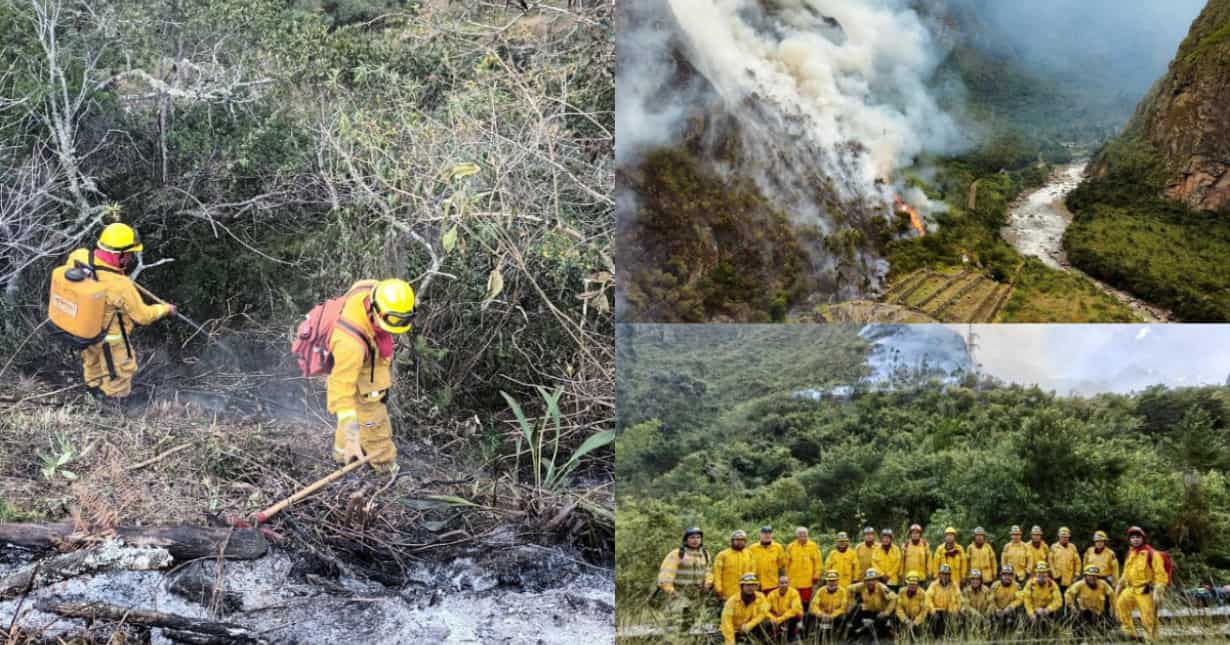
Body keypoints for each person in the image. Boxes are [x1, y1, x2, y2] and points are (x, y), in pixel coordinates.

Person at [54, 224, 175, 403]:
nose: (129, 258)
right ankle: (115, 405)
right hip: (112, 340)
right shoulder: (121, 286)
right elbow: (143, 316)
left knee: (92, 363)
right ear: (118, 254)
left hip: (85, 332)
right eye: (128, 254)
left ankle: (93, 394)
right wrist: (165, 309)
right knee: (119, 371)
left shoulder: (79, 256)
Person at [327, 278, 416, 473]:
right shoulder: (350, 345)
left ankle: (342, 456)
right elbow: (341, 394)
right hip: (362, 378)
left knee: (353, 417)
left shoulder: (372, 289)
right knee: (374, 423)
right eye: (393, 321)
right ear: (376, 309)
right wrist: (353, 438)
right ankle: (384, 467)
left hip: (369, 362)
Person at [1116, 526, 1168, 641]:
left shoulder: (1152, 554)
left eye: (1138, 537)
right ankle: (1130, 634)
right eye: (1133, 537)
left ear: (1143, 538)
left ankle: (1151, 639)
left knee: (1148, 618)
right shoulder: (1130, 553)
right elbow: (1126, 572)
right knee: (1121, 605)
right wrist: (1120, 585)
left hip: (1145, 591)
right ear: (1129, 540)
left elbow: (1161, 575)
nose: (1135, 539)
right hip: (1131, 589)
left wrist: (1158, 592)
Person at [657, 527, 713, 633]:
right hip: (678, 592)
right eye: (692, 537)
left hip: (697, 593)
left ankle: (685, 639)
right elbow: (666, 573)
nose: (695, 540)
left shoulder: (705, 554)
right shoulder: (677, 553)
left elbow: (708, 571)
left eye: (698, 537)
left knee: (691, 621)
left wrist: (708, 583)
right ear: (686, 540)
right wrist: (670, 590)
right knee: (676, 619)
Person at [845, 568, 897, 639]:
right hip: (868, 610)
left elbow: (894, 598)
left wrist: (887, 612)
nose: (870, 582)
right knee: (856, 608)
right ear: (865, 581)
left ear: (877, 580)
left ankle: (881, 632)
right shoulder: (862, 585)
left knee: (880, 623)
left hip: (880, 611)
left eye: (873, 580)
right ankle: (855, 630)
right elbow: (848, 588)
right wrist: (851, 603)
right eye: (868, 580)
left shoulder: (882, 587)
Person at [1065, 565, 1114, 636]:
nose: (1092, 578)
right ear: (1085, 576)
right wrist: (1072, 606)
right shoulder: (1080, 584)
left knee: (1108, 624)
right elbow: (1068, 594)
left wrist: (1113, 608)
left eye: (1095, 576)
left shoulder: (1103, 584)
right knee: (1078, 624)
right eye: (1090, 576)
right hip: (1084, 614)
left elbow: (1112, 594)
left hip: (1099, 613)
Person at [720, 573, 769, 644]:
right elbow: (726, 622)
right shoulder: (732, 601)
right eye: (747, 585)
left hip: (750, 628)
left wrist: (750, 625)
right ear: (742, 586)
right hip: (734, 631)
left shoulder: (761, 597)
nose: (750, 587)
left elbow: (763, 613)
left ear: (756, 586)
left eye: (753, 585)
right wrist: (730, 641)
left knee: (767, 623)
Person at [786, 527, 823, 609]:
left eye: (804, 534)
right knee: (793, 602)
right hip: (793, 581)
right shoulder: (791, 546)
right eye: (800, 534)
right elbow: (786, 564)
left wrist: (816, 575)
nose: (802, 536)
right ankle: (794, 619)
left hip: (807, 581)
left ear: (807, 535)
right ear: (796, 536)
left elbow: (818, 562)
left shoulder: (813, 546)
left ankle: (804, 618)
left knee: (805, 602)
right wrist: (786, 578)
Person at [1022, 562, 1062, 635]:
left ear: (1047, 574)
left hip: (1048, 611)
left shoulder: (1052, 584)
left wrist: (1048, 609)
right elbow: (1026, 600)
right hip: (1034, 611)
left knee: (1054, 621)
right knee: (1028, 621)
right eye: (1039, 573)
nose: (1041, 575)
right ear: (1036, 574)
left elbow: (1058, 600)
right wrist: (1031, 613)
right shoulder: (1030, 584)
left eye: (1044, 573)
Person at [714, 530, 756, 601]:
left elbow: (753, 572)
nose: (740, 542)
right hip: (727, 594)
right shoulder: (722, 555)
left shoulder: (749, 554)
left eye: (742, 540)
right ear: (732, 541)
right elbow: (717, 573)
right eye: (737, 539)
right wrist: (718, 589)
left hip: (745, 593)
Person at [925, 563, 962, 638]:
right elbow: (928, 599)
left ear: (950, 575)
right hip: (937, 611)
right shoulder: (933, 585)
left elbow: (959, 600)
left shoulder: (954, 585)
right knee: (934, 617)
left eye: (947, 574)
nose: (945, 576)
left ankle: (952, 636)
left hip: (950, 612)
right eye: (943, 574)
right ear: (939, 574)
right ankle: (934, 637)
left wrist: (955, 611)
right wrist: (932, 610)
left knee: (956, 618)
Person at [809, 571, 848, 639]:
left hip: (835, 616)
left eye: (834, 580)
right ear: (826, 581)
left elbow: (843, 608)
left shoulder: (843, 592)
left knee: (843, 617)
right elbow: (814, 605)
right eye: (829, 580)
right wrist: (821, 614)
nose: (832, 583)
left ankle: (838, 635)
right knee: (809, 616)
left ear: (838, 581)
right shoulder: (820, 591)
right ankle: (812, 633)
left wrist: (831, 616)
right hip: (822, 616)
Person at [748, 526, 786, 593]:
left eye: (769, 533)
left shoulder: (778, 547)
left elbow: (781, 567)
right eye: (764, 533)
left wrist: (782, 582)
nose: (767, 535)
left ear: (772, 534)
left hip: (773, 584)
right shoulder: (752, 548)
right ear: (760, 534)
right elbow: (748, 566)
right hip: (756, 584)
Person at [765, 575, 803, 640]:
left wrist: (780, 619)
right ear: (778, 584)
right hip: (776, 617)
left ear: (789, 584)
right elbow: (765, 610)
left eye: (786, 583)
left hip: (791, 617)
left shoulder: (794, 593)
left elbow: (794, 610)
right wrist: (773, 619)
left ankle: (792, 636)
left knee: (793, 618)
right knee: (766, 622)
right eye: (782, 583)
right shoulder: (771, 594)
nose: (784, 585)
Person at [990, 564, 1023, 633]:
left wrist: (1010, 607)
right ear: (1001, 576)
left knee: (1019, 611)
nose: (1007, 577)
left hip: (1010, 611)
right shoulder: (995, 586)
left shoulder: (1017, 586)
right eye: (1005, 575)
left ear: (1013, 576)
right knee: (989, 612)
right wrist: (996, 609)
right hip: (997, 611)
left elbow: (1019, 600)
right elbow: (991, 600)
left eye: (1009, 575)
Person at [895, 571, 928, 638]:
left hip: (917, 620)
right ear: (906, 584)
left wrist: (916, 622)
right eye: (910, 584)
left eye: (914, 584)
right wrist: (905, 620)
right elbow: (898, 609)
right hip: (905, 619)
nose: (912, 586)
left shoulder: (923, 594)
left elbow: (924, 611)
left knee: (920, 633)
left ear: (918, 584)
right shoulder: (901, 592)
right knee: (894, 617)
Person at [1049, 526, 1082, 595]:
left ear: (1068, 537)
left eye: (1066, 537)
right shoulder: (1054, 547)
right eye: (1062, 537)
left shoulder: (1072, 547)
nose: (1064, 539)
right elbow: (1050, 562)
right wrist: (1054, 574)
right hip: (1057, 578)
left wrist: (1076, 575)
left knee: (1069, 598)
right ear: (1059, 537)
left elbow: (1078, 562)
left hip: (1070, 578)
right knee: (1058, 597)